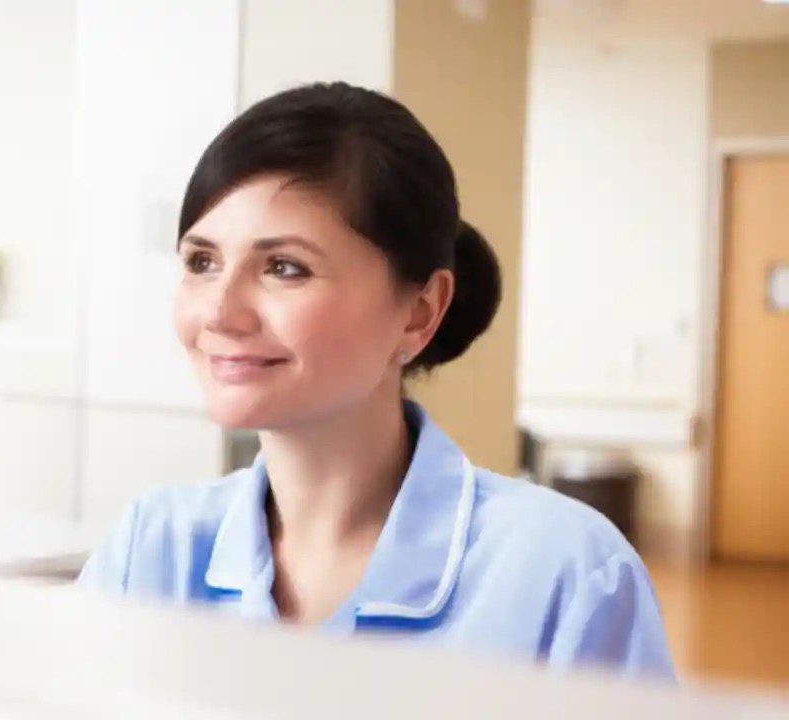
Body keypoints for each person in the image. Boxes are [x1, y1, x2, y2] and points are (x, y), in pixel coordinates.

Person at [77, 82, 674, 678]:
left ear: (418, 312)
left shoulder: (567, 574)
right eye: (202, 262)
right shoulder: (150, 548)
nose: (220, 313)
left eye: (285, 268)